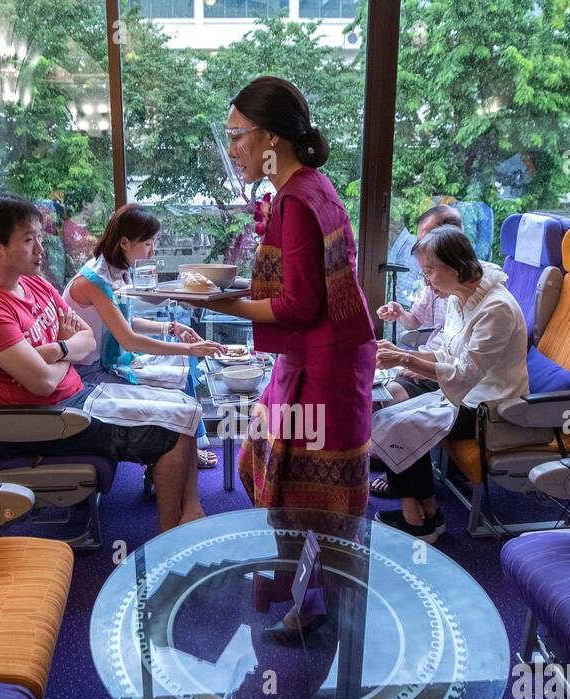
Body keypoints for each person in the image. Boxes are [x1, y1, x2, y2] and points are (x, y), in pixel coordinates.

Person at [0, 194, 216, 532]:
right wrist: (70, 351)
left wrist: (54, 351)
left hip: (81, 392)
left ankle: (189, 515)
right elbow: (43, 383)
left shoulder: (33, 283)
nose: (41, 249)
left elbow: (88, 341)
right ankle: (169, 536)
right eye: (28, 240)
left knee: (185, 409)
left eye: (40, 237)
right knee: (173, 432)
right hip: (53, 421)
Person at [185, 76, 377, 518]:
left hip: (324, 365)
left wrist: (213, 302)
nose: (233, 148)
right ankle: (299, 580)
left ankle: (305, 579)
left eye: (238, 135)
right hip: (328, 352)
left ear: (271, 136)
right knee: (262, 455)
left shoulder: (295, 200)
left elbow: (298, 306)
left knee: (301, 498)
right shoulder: (311, 185)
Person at [371, 225, 529, 542]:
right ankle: (427, 508)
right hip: (463, 394)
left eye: (430, 271)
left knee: (399, 422)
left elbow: (464, 375)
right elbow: (447, 353)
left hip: (491, 409)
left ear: (456, 267)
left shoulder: (495, 309)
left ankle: (419, 519)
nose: (426, 280)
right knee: (387, 406)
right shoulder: (461, 295)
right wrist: (403, 356)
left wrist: (404, 359)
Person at [63, 203, 222, 470]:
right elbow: (129, 340)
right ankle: (166, 464)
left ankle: (183, 455)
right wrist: (189, 349)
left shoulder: (113, 271)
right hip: (91, 372)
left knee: (181, 372)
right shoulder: (93, 281)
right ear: (125, 242)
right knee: (173, 382)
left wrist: (171, 328)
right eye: (148, 243)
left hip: (112, 359)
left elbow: (122, 321)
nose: (153, 251)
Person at [375, 204, 463, 403]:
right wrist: (400, 313)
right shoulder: (437, 281)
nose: (426, 281)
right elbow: (413, 322)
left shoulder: (476, 298)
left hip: (440, 375)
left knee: (382, 400)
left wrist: (406, 359)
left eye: (426, 241)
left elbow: (462, 371)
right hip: (430, 362)